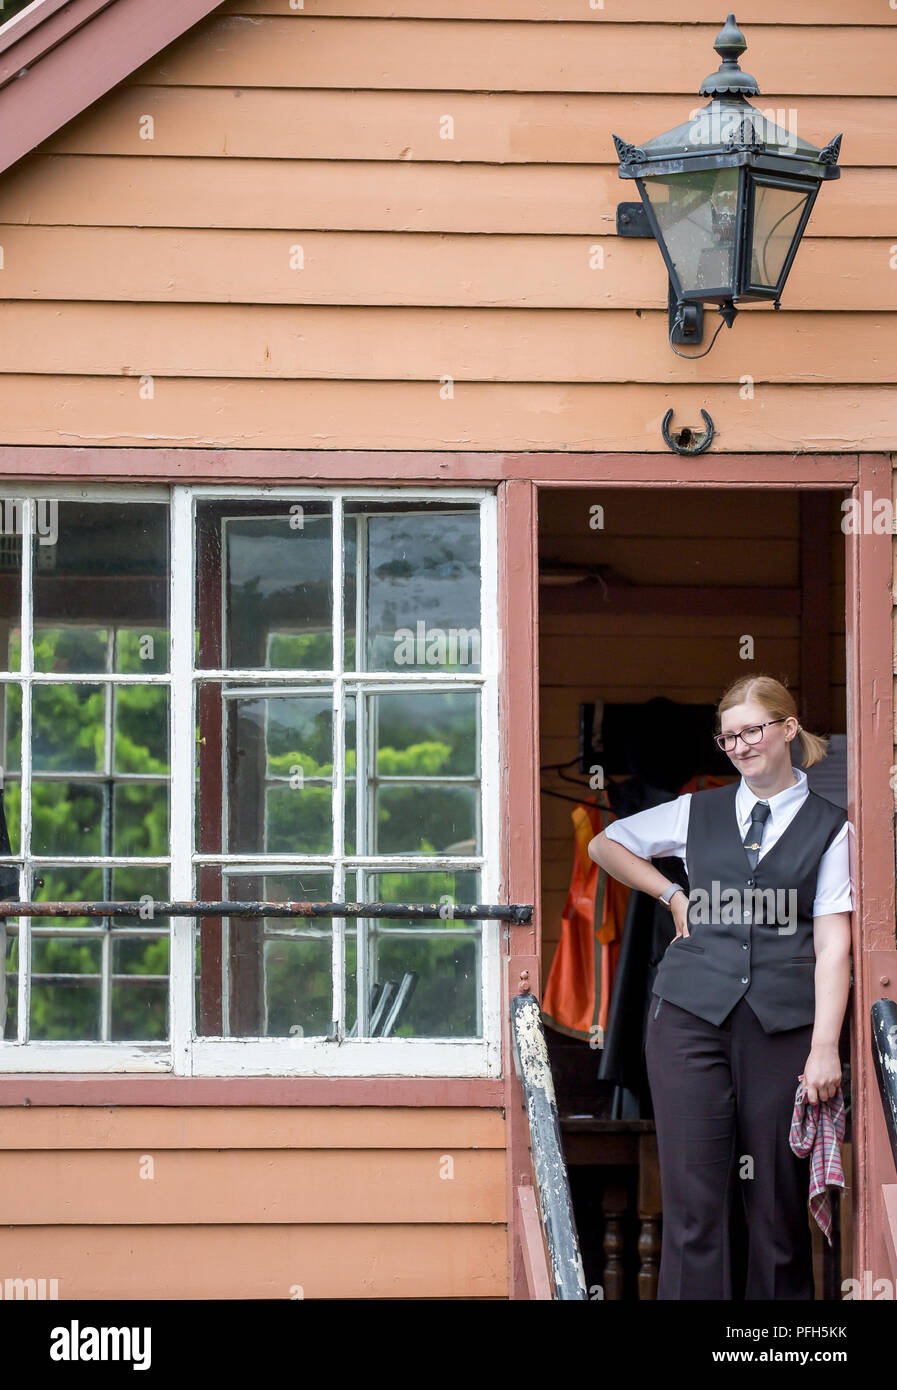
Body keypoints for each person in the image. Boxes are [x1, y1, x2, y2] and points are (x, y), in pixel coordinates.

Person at [588, 674, 852, 1300]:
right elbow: (607, 843)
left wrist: (824, 1048)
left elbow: (834, 942)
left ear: (788, 729)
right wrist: (671, 894)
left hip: (783, 1028)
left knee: (777, 1206)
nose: (739, 745)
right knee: (694, 1204)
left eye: (752, 730)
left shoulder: (831, 825)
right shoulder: (695, 810)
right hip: (687, 1019)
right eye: (728, 736)